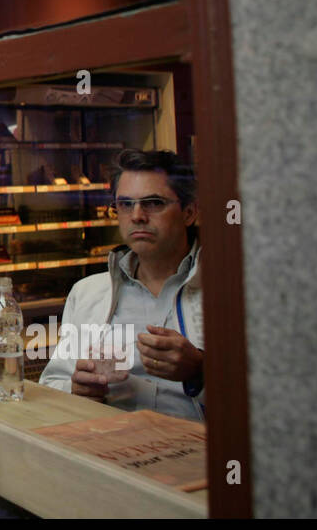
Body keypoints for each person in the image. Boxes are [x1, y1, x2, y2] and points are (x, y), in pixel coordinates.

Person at [38, 149, 205, 421]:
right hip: (108, 449)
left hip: (201, 455)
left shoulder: (230, 291)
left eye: (153, 203)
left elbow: (275, 393)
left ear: (189, 212)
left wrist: (201, 372)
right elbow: (52, 384)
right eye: (125, 204)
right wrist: (77, 391)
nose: (137, 215)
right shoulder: (88, 293)